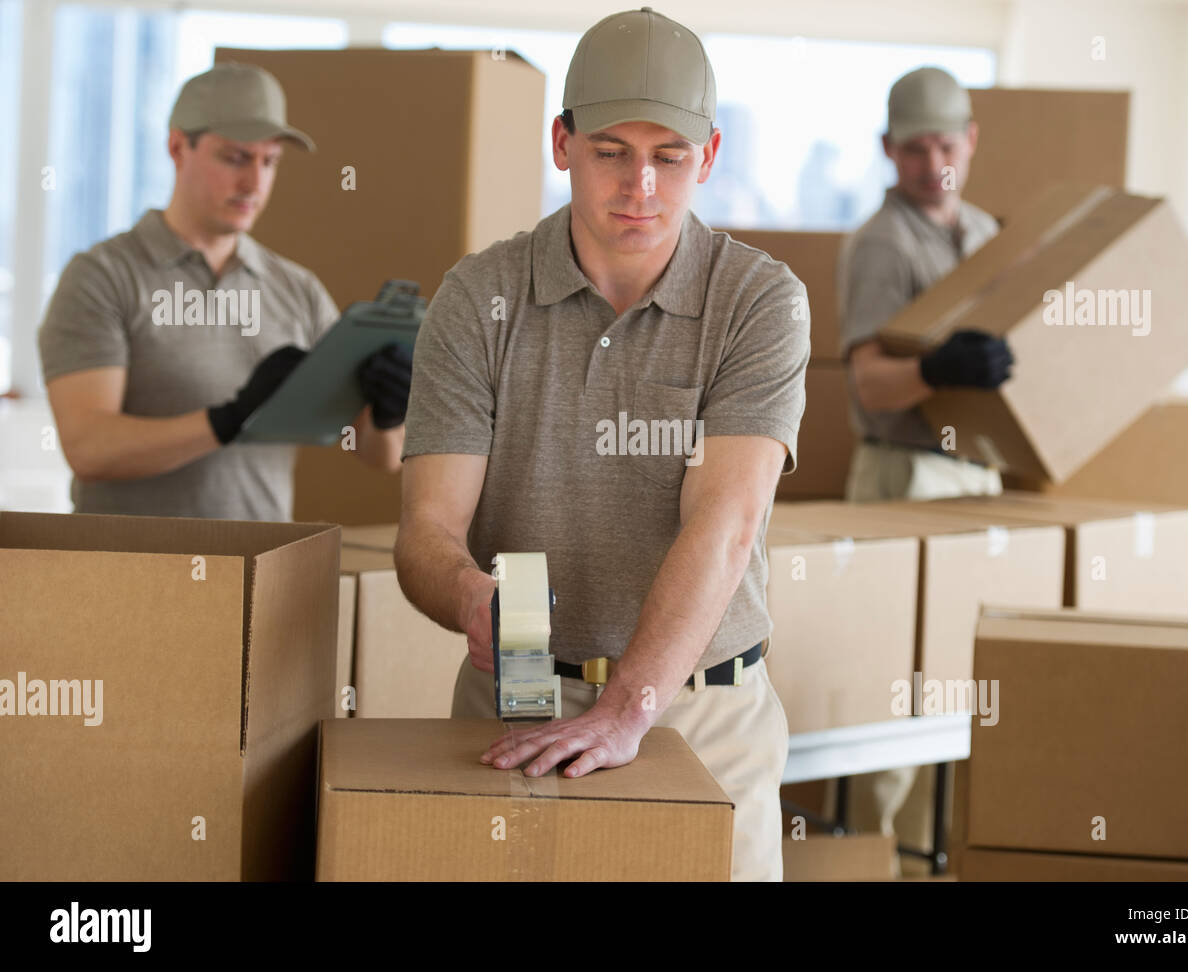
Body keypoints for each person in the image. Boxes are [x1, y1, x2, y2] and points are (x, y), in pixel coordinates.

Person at [394, 7, 810, 881]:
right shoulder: (479, 298)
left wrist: (629, 708)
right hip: (516, 696)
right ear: (562, 143)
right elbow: (428, 528)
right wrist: (468, 597)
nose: (641, 187)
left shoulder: (759, 302)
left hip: (701, 712)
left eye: (669, 157)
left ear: (710, 157)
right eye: (611, 151)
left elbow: (727, 523)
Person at [38, 62, 409, 521]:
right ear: (177, 146)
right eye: (235, 157)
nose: (254, 183)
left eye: (269, 162)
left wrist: (388, 414)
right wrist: (228, 419)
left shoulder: (297, 289)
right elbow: (89, 449)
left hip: (260, 575)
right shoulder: (102, 278)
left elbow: (381, 455)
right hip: (130, 577)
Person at [835, 65, 1013, 867]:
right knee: (891, 684)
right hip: (904, 476)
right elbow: (868, 379)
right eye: (914, 148)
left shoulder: (984, 234)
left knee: (959, 683)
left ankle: (935, 856)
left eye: (946, 143)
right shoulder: (883, 243)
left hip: (975, 479)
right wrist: (936, 370)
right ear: (887, 151)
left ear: (970, 142)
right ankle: (875, 860)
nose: (931, 161)